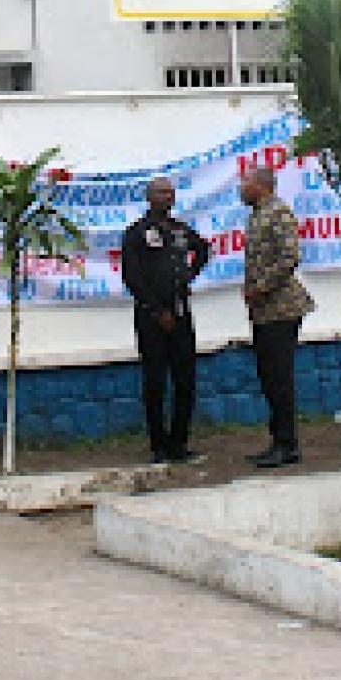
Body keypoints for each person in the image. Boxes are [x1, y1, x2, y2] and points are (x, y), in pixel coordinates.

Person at [120, 175, 212, 464]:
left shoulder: (179, 230)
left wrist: (189, 275)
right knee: (155, 382)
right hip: (152, 319)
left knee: (186, 381)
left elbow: (203, 250)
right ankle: (158, 446)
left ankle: (179, 444)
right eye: (161, 192)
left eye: (171, 193)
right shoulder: (137, 232)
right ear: (150, 197)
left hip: (182, 314)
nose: (167, 197)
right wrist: (157, 310)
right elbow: (131, 277)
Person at [239, 165, 313, 469]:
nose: (241, 188)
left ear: (261, 186)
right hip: (264, 312)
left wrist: (261, 287)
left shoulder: (278, 213)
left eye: (245, 182)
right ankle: (278, 441)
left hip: (282, 309)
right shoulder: (258, 214)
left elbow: (290, 256)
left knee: (279, 379)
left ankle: (287, 445)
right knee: (269, 379)